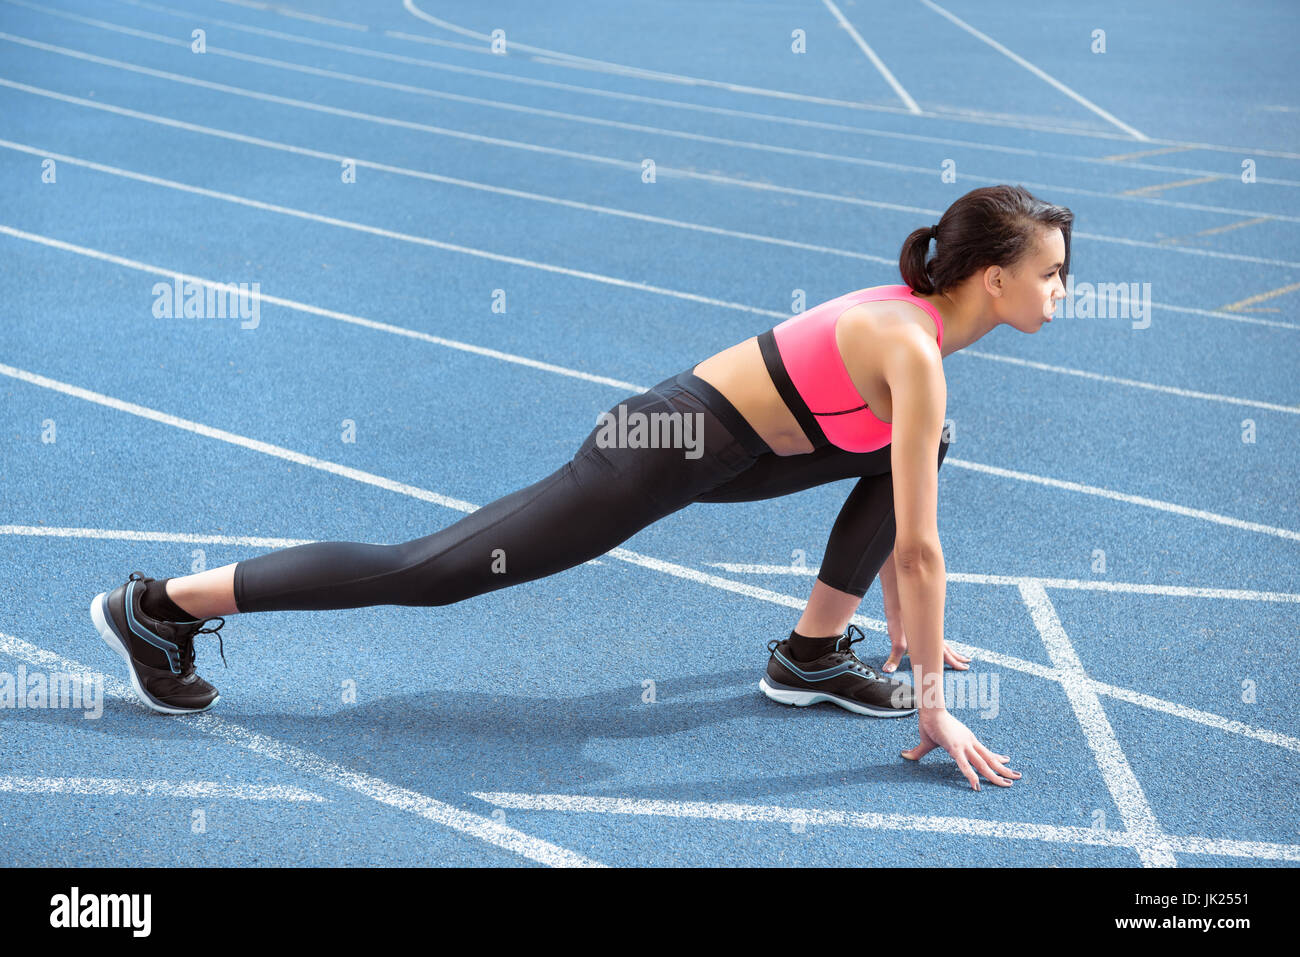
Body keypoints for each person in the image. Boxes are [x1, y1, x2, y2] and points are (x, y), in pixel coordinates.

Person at [92, 184, 1071, 791]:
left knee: (922, 443)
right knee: (432, 571)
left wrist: (911, 640)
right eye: (1050, 274)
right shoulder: (911, 344)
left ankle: (810, 657)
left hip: (731, 451)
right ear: (991, 277)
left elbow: (904, 502)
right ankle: (157, 605)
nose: (1060, 291)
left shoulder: (922, 346)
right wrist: (934, 698)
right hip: (659, 447)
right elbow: (920, 549)